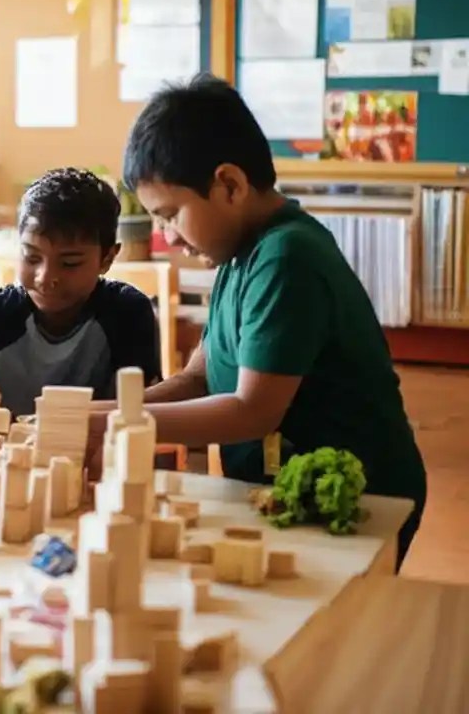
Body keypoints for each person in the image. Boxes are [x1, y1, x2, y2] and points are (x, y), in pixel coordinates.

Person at [107, 73, 426, 568]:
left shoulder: (286, 256)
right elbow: (198, 378)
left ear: (230, 185)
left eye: (171, 215)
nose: (168, 237)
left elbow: (253, 411)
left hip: (359, 492)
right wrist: (98, 413)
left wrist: (118, 424)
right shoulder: (236, 257)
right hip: (284, 490)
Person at [0, 167, 160, 423]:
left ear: (107, 258)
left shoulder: (126, 313)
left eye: (70, 263)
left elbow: (138, 411)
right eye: (31, 257)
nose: (45, 277)